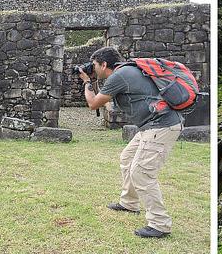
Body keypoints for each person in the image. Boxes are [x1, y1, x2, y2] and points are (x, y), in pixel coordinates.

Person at [79, 47, 184, 239]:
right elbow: (107, 101)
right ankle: (129, 202)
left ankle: (160, 224)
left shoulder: (120, 75)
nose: (93, 69)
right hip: (150, 126)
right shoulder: (127, 71)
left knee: (142, 172)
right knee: (127, 158)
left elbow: (93, 103)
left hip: (160, 126)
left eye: (94, 65)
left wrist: (87, 81)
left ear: (104, 64)